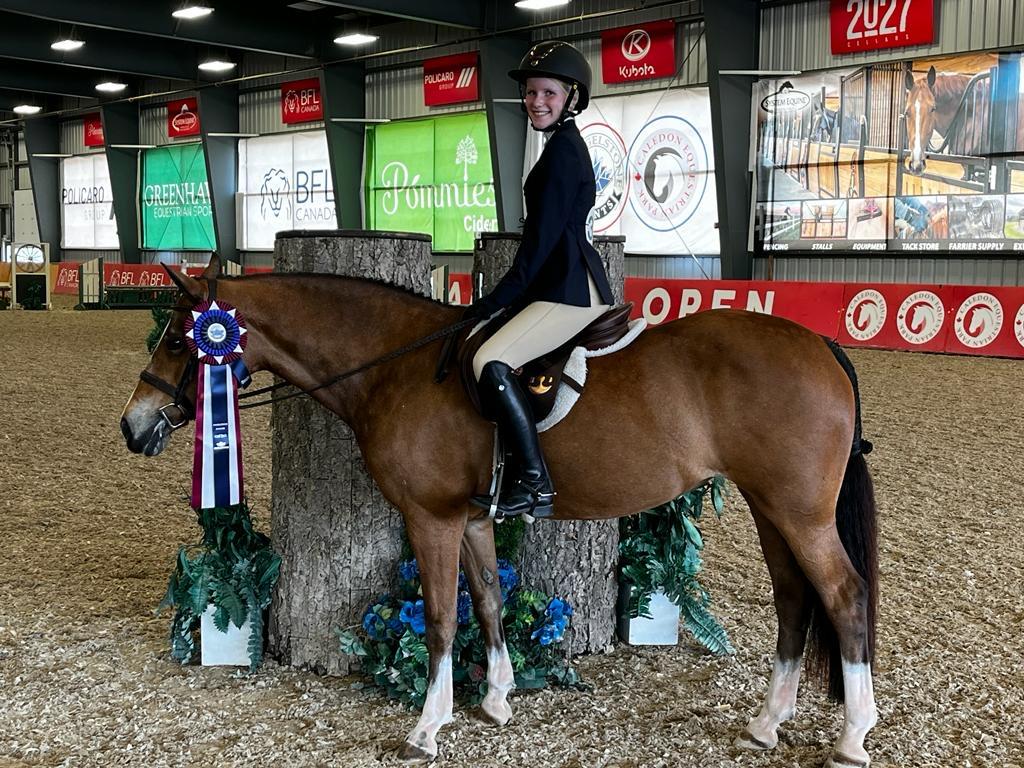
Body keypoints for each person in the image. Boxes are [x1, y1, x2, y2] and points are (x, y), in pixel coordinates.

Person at [466, 40, 615, 520]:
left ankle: (534, 481)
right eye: (531, 93)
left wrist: (492, 302)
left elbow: (539, 248)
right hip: (560, 283)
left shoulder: (565, 154)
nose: (537, 102)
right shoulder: (560, 147)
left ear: (571, 97)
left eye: (548, 93)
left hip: (568, 289)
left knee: (489, 360)